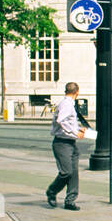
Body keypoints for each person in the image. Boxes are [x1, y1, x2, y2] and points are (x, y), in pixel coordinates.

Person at [46, 82, 86, 211]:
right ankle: (52, 191)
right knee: (67, 172)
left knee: (73, 173)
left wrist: (78, 129)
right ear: (77, 92)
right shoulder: (66, 104)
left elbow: (66, 122)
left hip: (70, 143)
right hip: (62, 143)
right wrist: (75, 132)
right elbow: (61, 120)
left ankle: (70, 201)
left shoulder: (68, 104)